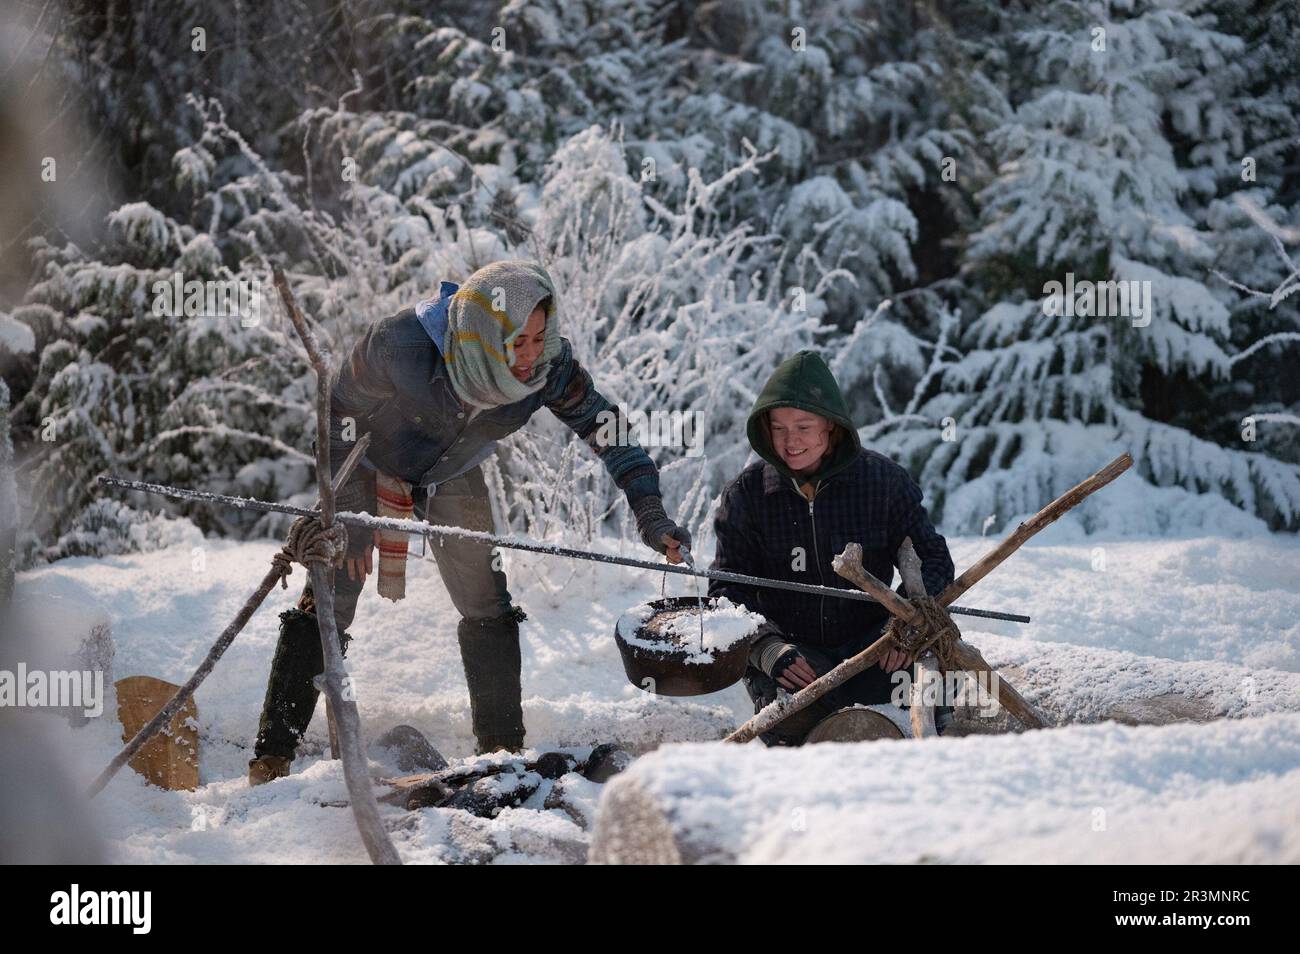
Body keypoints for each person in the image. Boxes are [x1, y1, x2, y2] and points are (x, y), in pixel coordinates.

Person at [249, 260, 690, 783]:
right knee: (330, 589)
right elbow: (335, 413)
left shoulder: (550, 367)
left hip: (452, 473)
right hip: (362, 465)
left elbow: (609, 431)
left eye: (537, 337)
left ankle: (501, 755)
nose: (528, 357)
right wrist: (349, 513)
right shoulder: (399, 346)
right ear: (481, 334)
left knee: (486, 599)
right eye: (515, 343)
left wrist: (651, 512)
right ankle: (273, 756)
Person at [708, 349, 955, 745]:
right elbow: (726, 592)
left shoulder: (882, 482)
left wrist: (908, 625)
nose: (791, 441)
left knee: (926, 700)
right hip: (795, 654)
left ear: (831, 428)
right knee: (789, 722)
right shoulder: (747, 495)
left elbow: (933, 560)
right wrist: (767, 648)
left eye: (804, 426)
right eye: (778, 428)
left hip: (880, 646)